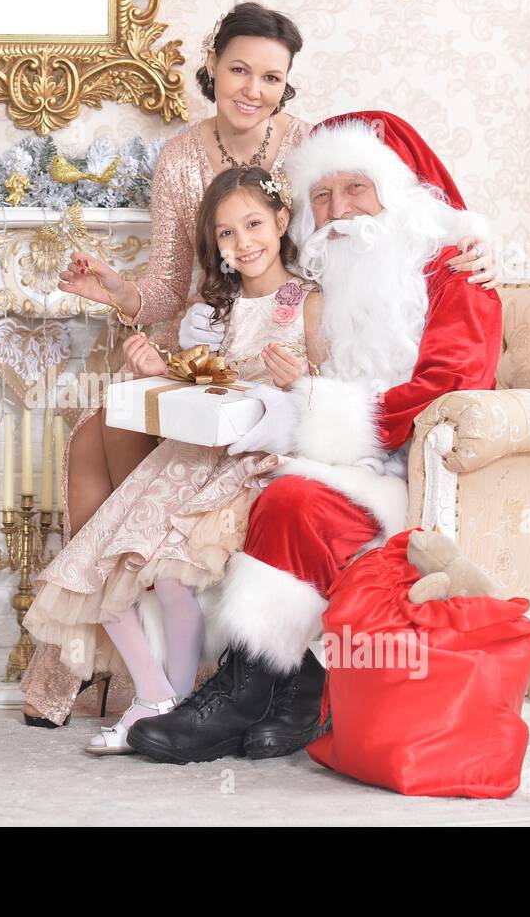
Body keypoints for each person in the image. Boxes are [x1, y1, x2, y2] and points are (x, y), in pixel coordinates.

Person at [19, 2, 495, 729]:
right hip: (232, 350)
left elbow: (385, 226)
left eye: (272, 77)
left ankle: (188, 671)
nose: (253, 88)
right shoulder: (180, 157)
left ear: (287, 85)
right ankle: (92, 655)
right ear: (211, 64)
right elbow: (172, 285)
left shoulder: (312, 148)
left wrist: (484, 239)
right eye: (239, 69)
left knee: (159, 453)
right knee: (95, 435)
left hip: (296, 360)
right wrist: (121, 295)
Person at [126, 110, 504, 764]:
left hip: (401, 464)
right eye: (322, 195)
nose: (338, 209)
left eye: (356, 187)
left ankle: (246, 693)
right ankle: (289, 690)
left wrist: (318, 407)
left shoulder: (455, 266)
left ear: (399, 189)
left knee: (291, 499)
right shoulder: (324, 269)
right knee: (218, 482)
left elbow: (449, 387)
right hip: (316, 442)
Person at [24, 165, 321, 754]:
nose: (243, 244)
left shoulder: (304, 304)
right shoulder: (215, 309)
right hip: (188, 455)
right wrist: (164, 369)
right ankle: (154, 697)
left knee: (169, 575)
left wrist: (304, 381)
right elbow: (199, 379)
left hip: (250, 460)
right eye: (226, 234)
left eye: (254, 224)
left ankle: (174, 705)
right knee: (104, 563)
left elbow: (329, 397)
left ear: (282, 221)